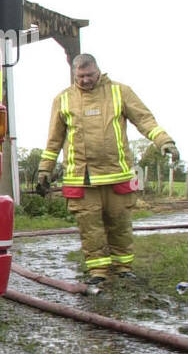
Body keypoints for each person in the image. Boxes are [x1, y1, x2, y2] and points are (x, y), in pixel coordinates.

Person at [36, 54, 177, 286]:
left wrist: (164, 141)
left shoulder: (120, 92)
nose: (85, 80)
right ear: (74, 74)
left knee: (120, 222)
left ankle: (124, 268)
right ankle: (98, 271)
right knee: (90, 227)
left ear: (98, 71)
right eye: (80, 76)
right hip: (81, 177)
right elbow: (54, 139)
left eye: (90, 75)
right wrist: (44, 169)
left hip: (117, 174)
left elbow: (145, 120)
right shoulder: (62, 99)